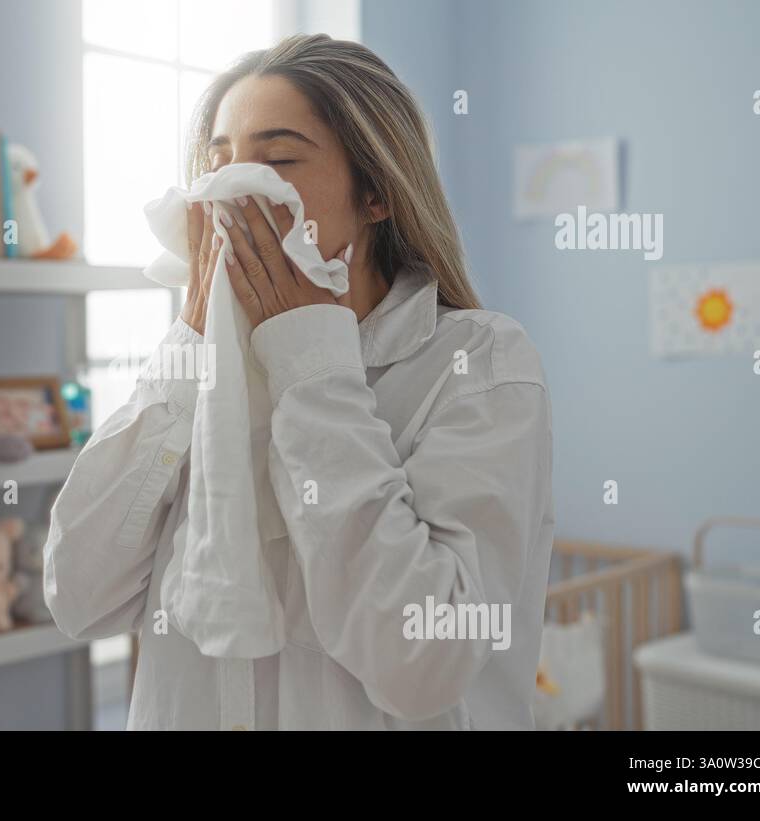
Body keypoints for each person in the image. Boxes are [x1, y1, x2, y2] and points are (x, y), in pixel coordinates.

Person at [44, 33, 554, 730]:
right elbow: (76, 593)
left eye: (278, 161)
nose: (232, 191)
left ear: (375, 192)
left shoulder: (480, 365)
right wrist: (191, 349)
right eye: (218, 162)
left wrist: (310, 362)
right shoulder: (205, 367)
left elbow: (423, 660)